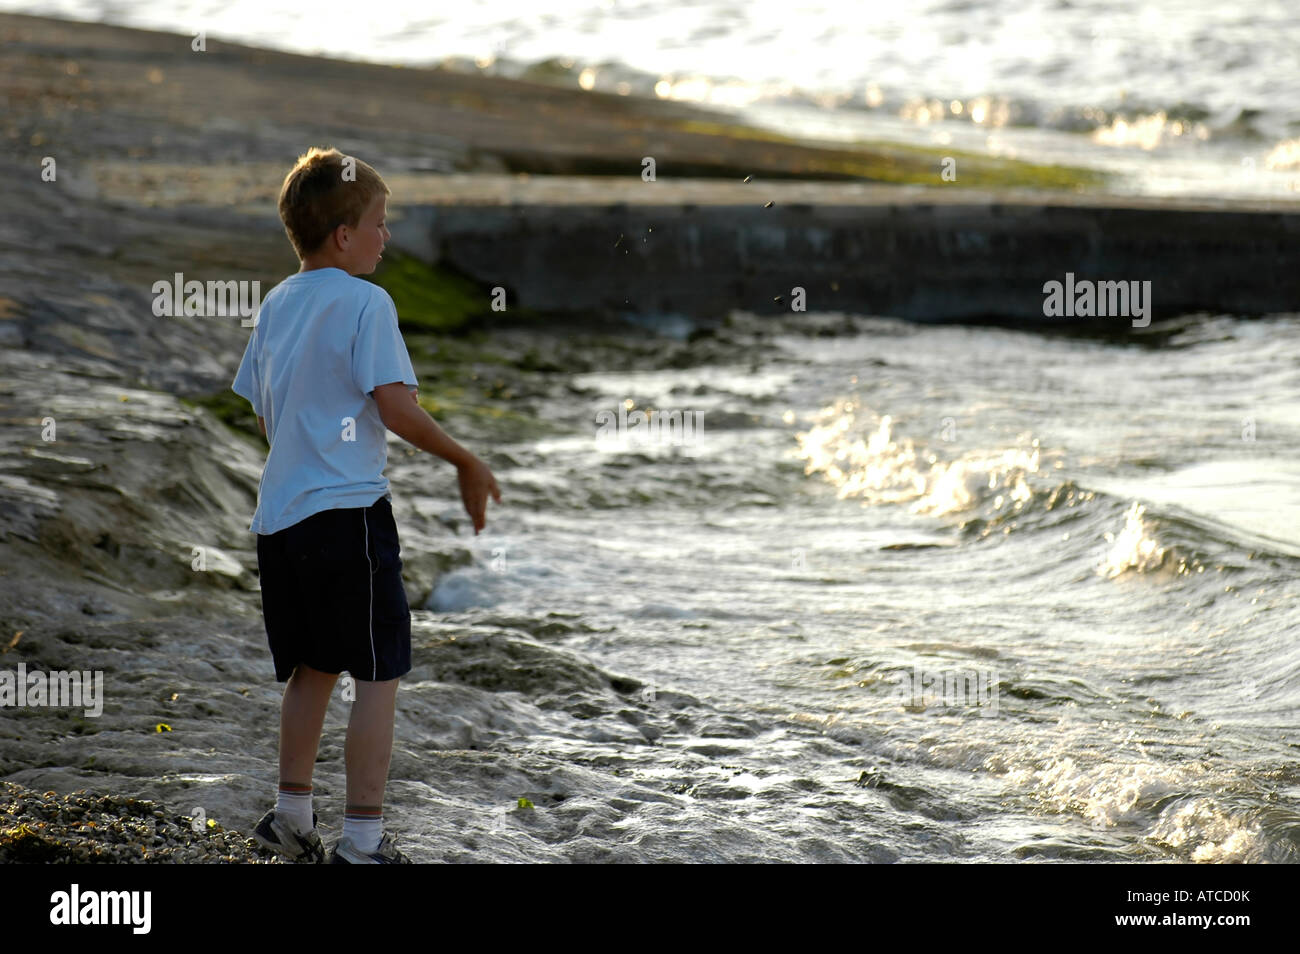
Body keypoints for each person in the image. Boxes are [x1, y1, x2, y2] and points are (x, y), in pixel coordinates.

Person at [231, 146, 501, 863]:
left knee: (311, 670)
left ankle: (290, 818)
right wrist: (465, 459)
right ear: (344, 235)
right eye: (381, 223)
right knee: (379, 675)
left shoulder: (276, 303)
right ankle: (362, 841)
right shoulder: (366, 302)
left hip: (280, 521)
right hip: (348, 517)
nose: (389, 237)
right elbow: (396, 406)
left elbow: (267, 415)